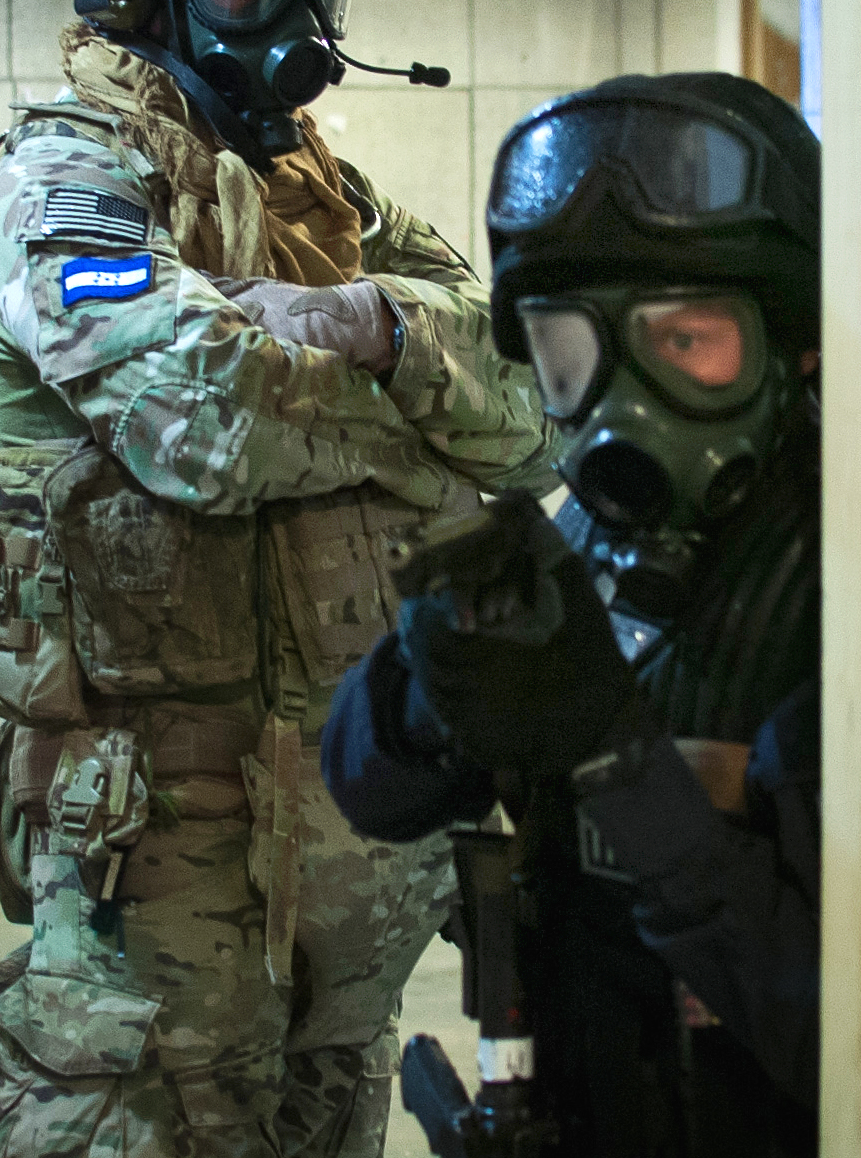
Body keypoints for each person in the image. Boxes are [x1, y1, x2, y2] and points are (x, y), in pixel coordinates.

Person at [0, 0, 557, 1158]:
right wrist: (418, 414)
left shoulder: (327, 201)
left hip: (343, 888)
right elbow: (213, 423)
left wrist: (373, 319)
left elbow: (550, 402)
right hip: (156, 900)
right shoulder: (61, 190)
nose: (305, 24)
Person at [319, 74, 824, 1158]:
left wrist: (613, 756)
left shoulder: (847, 591)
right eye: (571, 351)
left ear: (795, 344)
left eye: (686, 342)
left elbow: (831, 1023)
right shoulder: (583, 543)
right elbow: (366, 783)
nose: (622, 402)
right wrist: (427, 686)